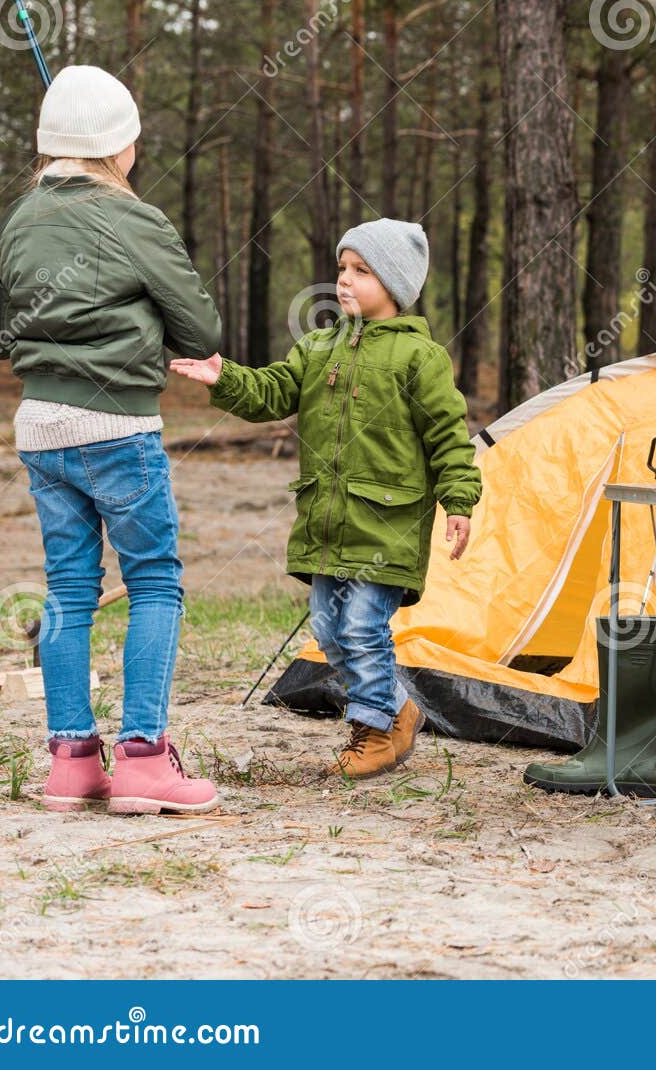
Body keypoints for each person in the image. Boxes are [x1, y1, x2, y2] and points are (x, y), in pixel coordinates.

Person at [0, 66, 223, 814]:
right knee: (153, 579)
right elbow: (203, 331)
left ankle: (72, 762)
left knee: (69, 590)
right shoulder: (138, 219)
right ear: (119, 145)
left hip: (42, 427)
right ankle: (145, 760)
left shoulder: (16, 220)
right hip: (118, 425)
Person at [170, 219, 482, 779]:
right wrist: (225, 378)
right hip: (327, 520)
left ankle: (377, 728)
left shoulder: (420, 358)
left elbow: (448, 435)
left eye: (361, 271)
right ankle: (397, 707)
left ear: (395, 283)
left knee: (362, 625)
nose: (344, 280)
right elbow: (272, 393)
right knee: (327, 628)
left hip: (387, 523)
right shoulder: (318, 347)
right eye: (342, 268)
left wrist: (459, 501)